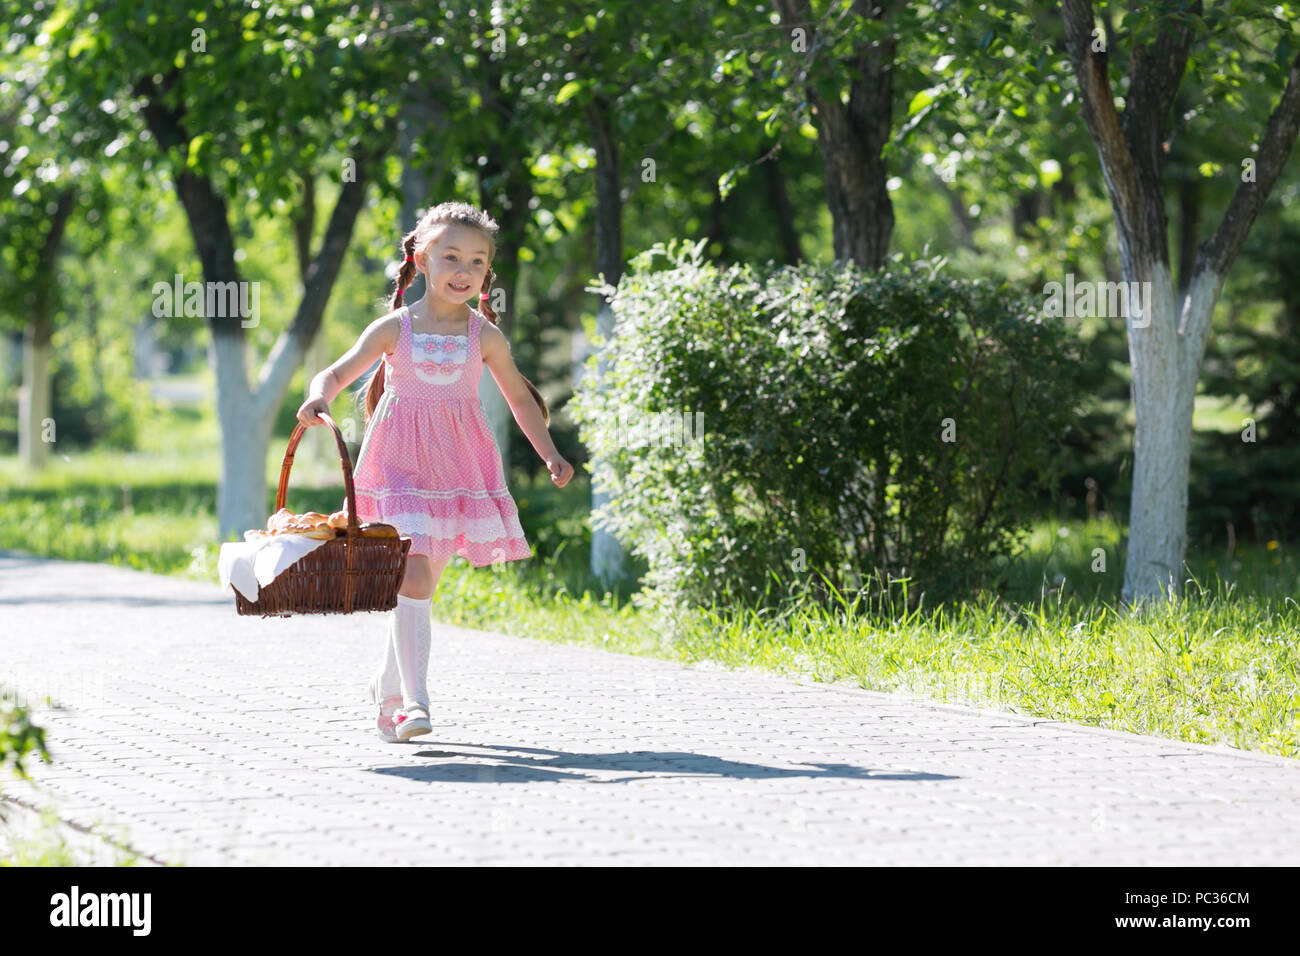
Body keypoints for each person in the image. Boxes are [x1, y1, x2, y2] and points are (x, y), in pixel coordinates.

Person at [296, 201, 574, 742]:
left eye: (476, 262)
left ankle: (387, 688)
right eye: (450, 257)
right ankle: (415, 707)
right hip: (397, 467)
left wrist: (550, 453)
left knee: (419, 589)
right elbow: (335, 372)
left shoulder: (484, 337)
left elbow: (520, 400)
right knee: (415, 574)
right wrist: (316, 398)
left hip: (459, 472)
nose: (463, 271)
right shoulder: (394, 328)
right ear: (422, 259)